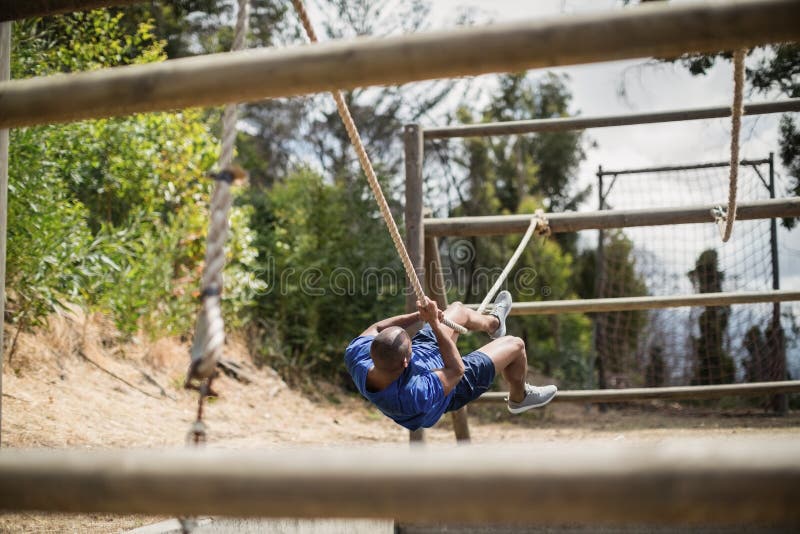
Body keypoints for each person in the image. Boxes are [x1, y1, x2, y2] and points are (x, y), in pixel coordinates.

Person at [344, 290, 557, 431]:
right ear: (405, 363)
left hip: (425, 355)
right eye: (409, 344)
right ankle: (519, 397)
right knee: (516, 345)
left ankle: (493, 323)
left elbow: (378, 328)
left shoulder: (357, 355)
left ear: (372, 351)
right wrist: (435, 325)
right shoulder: (413, 394)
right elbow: (456, 370)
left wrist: (419, 316)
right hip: (450, 389)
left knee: (458, 309)